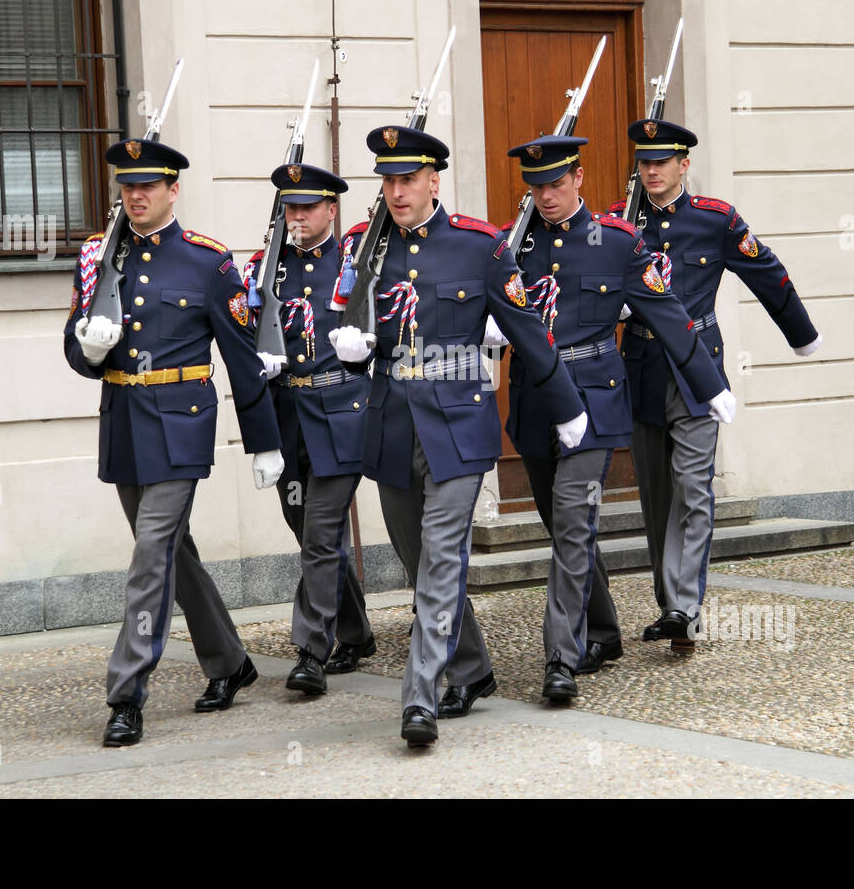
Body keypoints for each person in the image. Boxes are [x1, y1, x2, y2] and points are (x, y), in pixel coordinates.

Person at [328, 126, 586, 747]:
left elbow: (528, 331)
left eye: (408, 180)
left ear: (433, 181)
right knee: (418, 561)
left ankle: (420, 697)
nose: (396, 192)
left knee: (443, 558)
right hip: (392, 424)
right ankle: (472, 668)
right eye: (388, 181)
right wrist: (353, 353)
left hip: (459, 426)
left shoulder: (479, 246)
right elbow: (349, 328)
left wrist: (567, 406)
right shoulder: (361, 245)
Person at [64, 137, 286, 746]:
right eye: (127, 186)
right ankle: (229, 661)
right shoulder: (99, 256)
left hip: (181, 426)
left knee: (149, 557)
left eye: (148, 186)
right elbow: (75, 353)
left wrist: (263, 440)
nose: (136, 196)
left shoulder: (207, 263)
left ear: (172, 190)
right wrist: (89, 348)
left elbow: (241, 357)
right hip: (124, 423)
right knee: (169, 553)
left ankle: (126, 693)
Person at [496, 135, 733, 700]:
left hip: (593, 401)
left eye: (556, 183)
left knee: (574, 523)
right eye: (536, 186)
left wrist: (709, 383)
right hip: (533, 398)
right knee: (561, 524)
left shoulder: (619, 242)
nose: (546, 196)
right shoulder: (509, 244)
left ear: (578, 178)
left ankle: (561, 657)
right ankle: (603, 630)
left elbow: (668, 314)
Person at [605, 119, 821, 653]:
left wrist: (801, 335)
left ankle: (684, 607)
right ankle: (670, 605)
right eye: (644, 162)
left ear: (684, 164)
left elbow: (767, 271)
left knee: (693, 487)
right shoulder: (617, 222)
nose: (651, 170)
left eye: (662, 161)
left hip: (697, 369)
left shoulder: (714, 220)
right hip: (641, 366)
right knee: (656, 495)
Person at [246, 163, 376, 695]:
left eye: (308, 207)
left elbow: (380, 333)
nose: (297, 216)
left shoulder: (355, 266)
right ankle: (356, 632)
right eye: (290, 208)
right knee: (307, 531)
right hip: (287, 416)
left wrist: (364, 354)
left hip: (341, 413)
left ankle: (310, 651)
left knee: (322, 533)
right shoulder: (264, 269)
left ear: (331, 209)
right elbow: (242, 337)